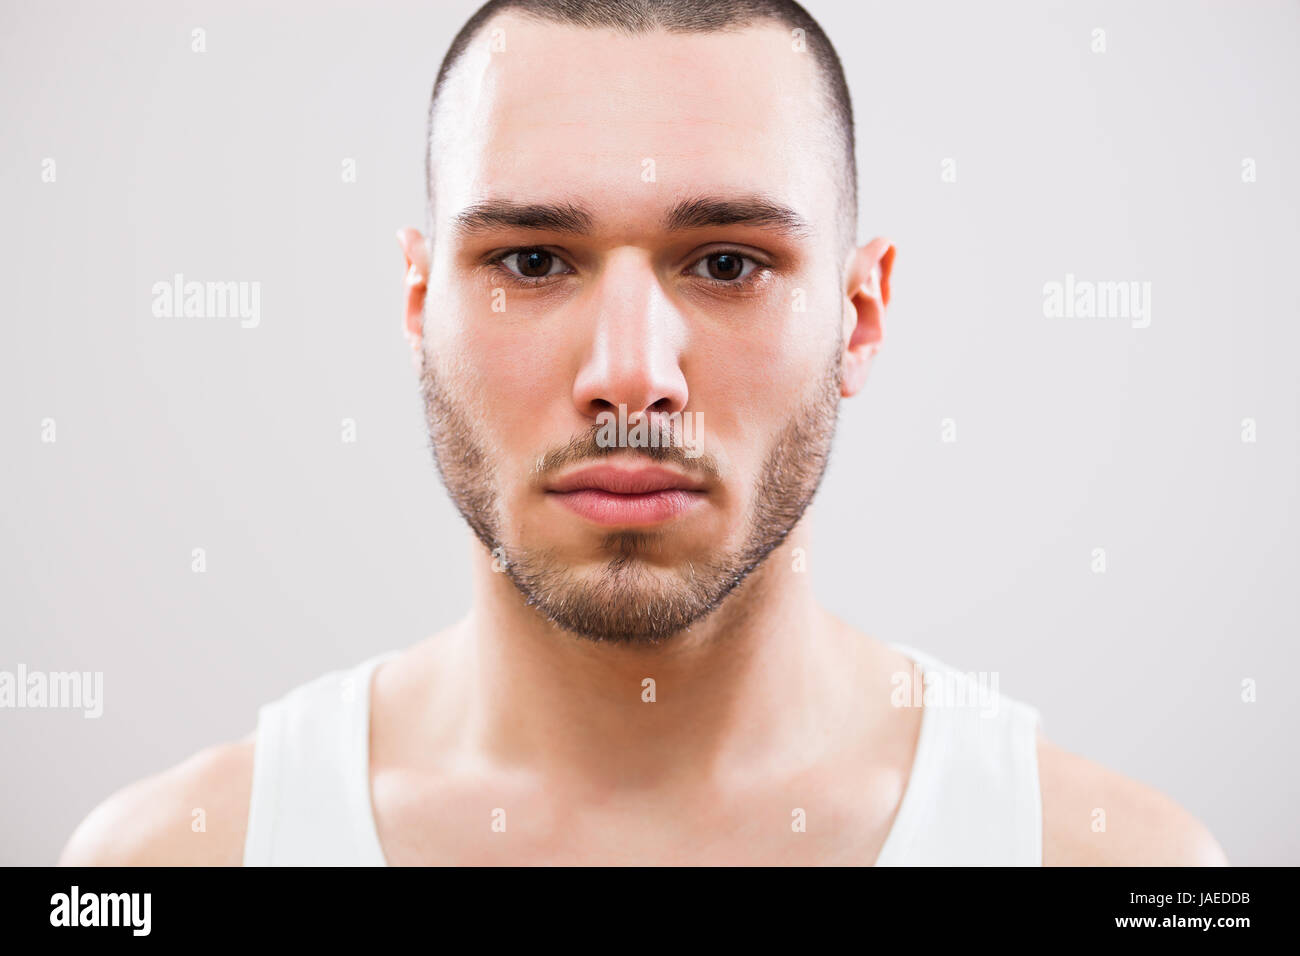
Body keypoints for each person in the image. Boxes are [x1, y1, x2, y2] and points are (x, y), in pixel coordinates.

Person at [60, 0, 1227, 866]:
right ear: (421, 308)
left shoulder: (1121, 866)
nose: (631, 374)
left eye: (727, 263)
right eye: (530, 260)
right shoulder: (163, 863)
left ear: (860, 315)